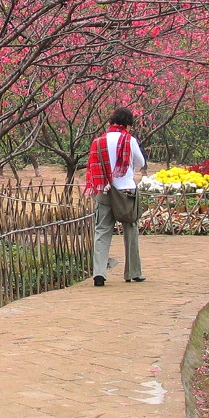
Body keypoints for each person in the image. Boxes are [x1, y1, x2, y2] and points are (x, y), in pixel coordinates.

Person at [84, 107, 147, 286]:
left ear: (111, 122)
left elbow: (91, 165)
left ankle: (99, 273)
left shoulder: (98, 141)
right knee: (130, 229)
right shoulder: (129, 140)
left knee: (102, 230)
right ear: (127, 124)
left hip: (104, 190)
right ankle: (133, 272)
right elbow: (140, 162)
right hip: (126, 192)